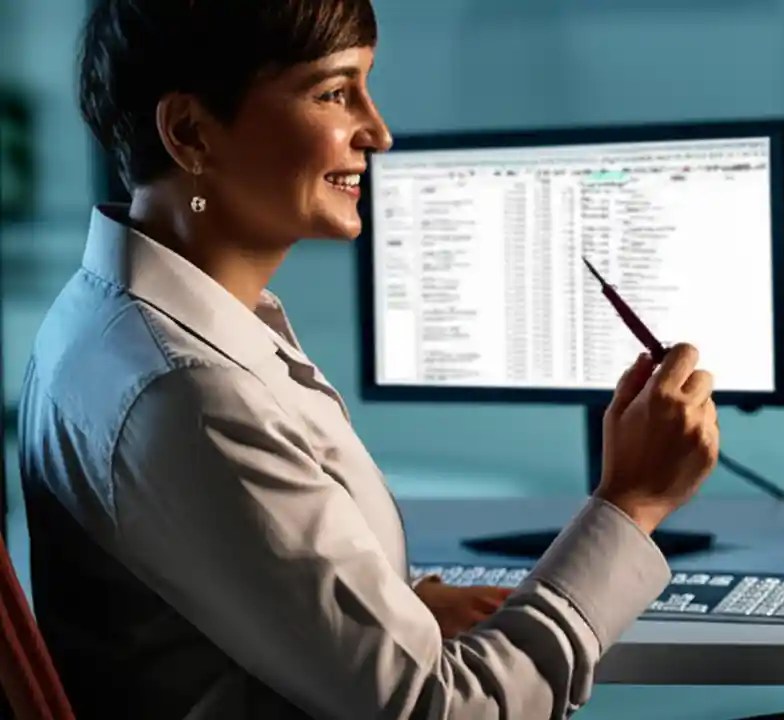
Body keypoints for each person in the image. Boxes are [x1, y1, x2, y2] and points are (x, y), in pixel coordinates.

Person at [17, 1, 720, 717]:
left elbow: (210, 591)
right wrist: (632, 504)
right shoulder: (190, 395)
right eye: (333, 92)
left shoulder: (101, 320)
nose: (378, 132)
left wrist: (398, 611)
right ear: (192, 133)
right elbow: (444, 711)